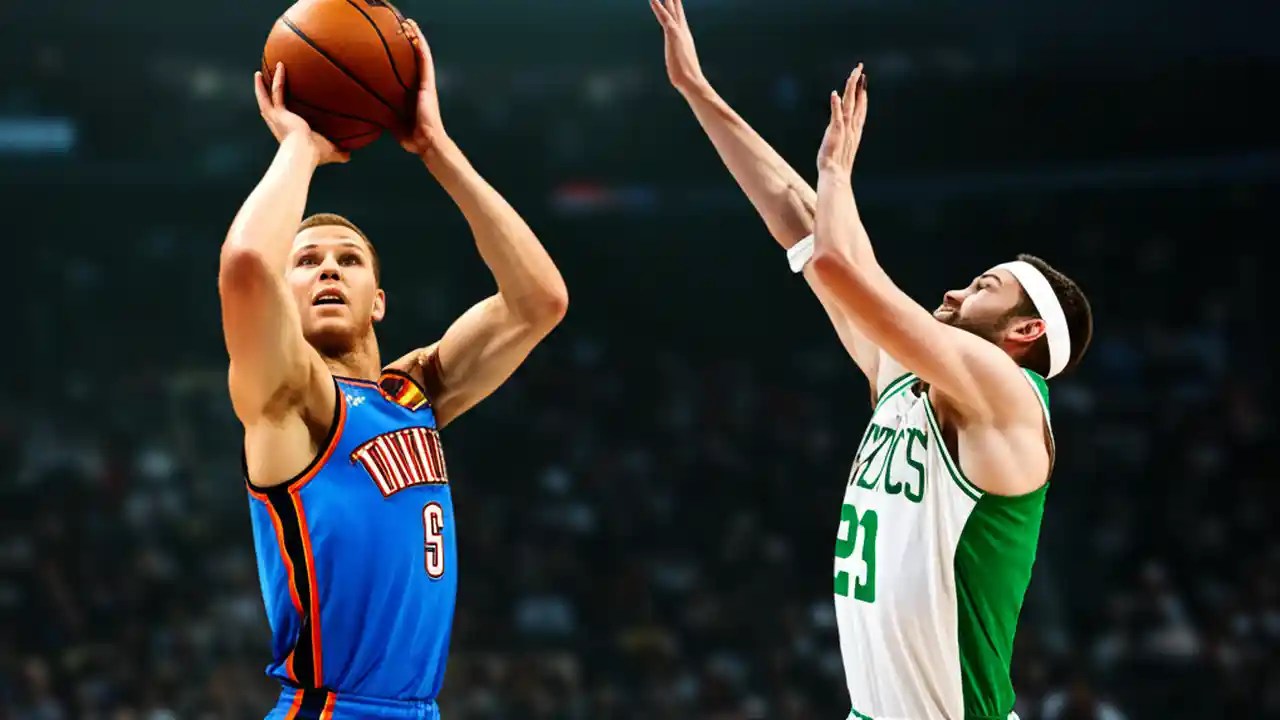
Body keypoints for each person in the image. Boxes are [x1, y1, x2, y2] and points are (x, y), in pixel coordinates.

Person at [650, 3, 1093, 718]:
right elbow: (801, 221)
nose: (954, 287)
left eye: (983, 287)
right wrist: (698, 91)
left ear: (1025, 331)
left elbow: (836, 259)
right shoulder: (908, 379)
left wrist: (838, 172)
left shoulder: (1009, 397)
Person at [218, 19, 568, 720]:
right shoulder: (292, 400)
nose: (326, 269)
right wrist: (300, 147)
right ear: (284, 300)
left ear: (378, 301)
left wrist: (436, 149)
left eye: (347, 261)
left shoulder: (413, 393)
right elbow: (249, 265)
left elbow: (541, 299)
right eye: (308, 260)